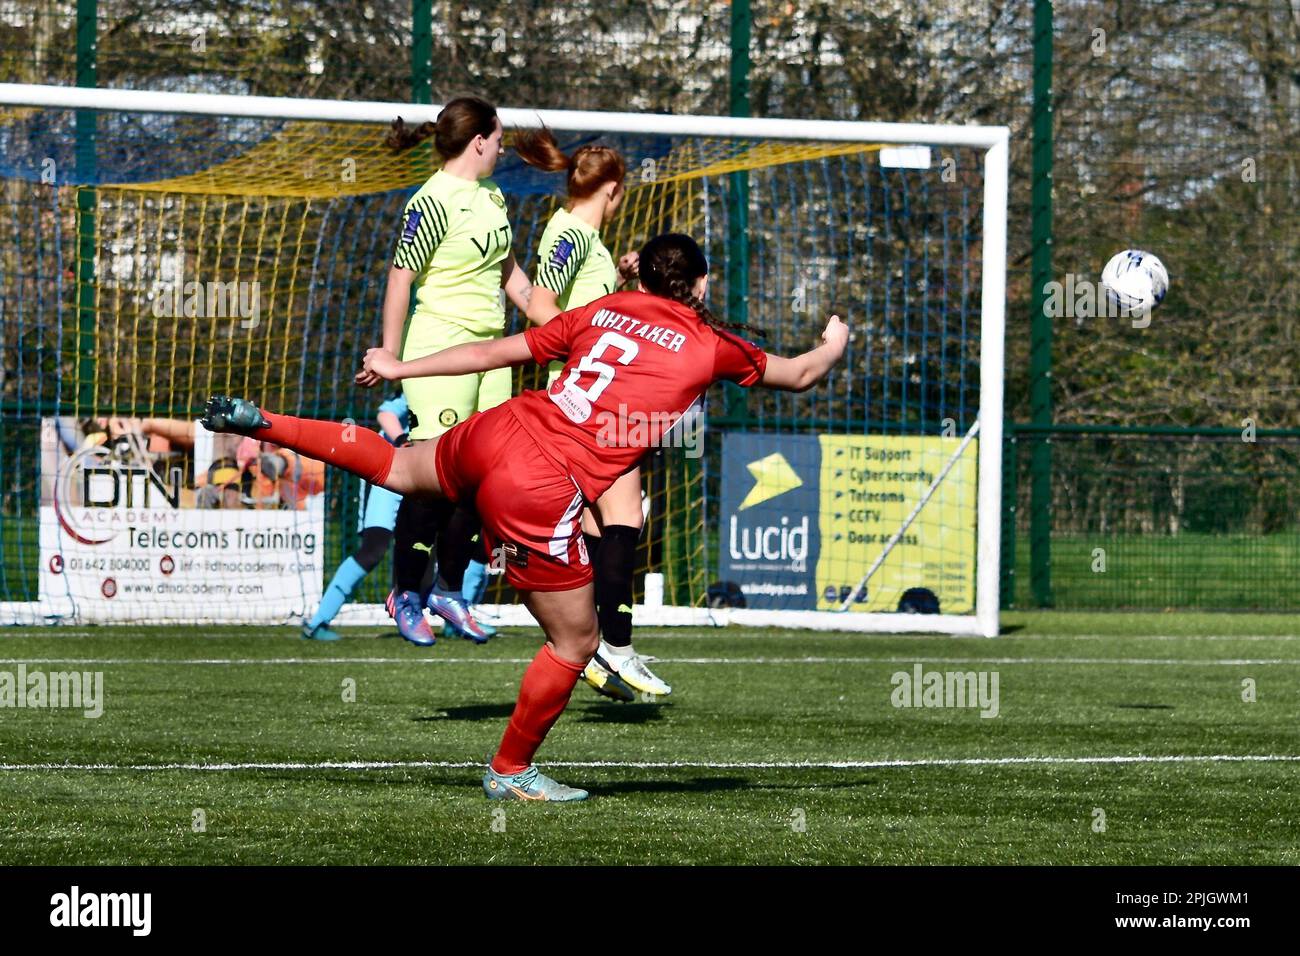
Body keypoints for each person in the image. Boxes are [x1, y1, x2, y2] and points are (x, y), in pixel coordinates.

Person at [201, 233, 847, 801]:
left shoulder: (604, 310)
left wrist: (401, 366)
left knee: (396, 469)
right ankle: (510, 769)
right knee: (577, 642)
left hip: (502, 428)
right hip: (540, 482)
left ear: (640, 277)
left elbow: (491, 353)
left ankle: (269, 423)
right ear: (701, 284)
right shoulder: (709, 344)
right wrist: (833, 341)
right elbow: (801, 374)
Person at [368, 95, 533, 644]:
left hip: (493, 352)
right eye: (500, 136)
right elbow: (399, 279)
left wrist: (561, 322)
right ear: (479, 140)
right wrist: (392, 356)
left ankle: (448, 588)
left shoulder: (491, 194)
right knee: (433, 479)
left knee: (486, 477)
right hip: (441, 348)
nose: (505, 144)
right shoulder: (432, 200)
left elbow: (511, 276)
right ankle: (406, 593)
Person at [513, 126, 665, 701]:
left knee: (598, 526)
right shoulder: (573, 233)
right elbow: (543, 308)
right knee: (626, 517)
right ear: (615, 189)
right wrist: (587, 353)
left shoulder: (586, 239)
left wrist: (617, 281)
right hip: (587, 400)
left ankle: (596, 646)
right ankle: (615, 649)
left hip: (582, 395)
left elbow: (573, 304)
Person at [301, 395, 421, 642]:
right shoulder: (420, 383)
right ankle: (318, 622)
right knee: (373, 550)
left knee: (431, 546)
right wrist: (402, 440)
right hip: (387, 477)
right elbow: (385, 413)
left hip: (422, 477)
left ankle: (450, 621)